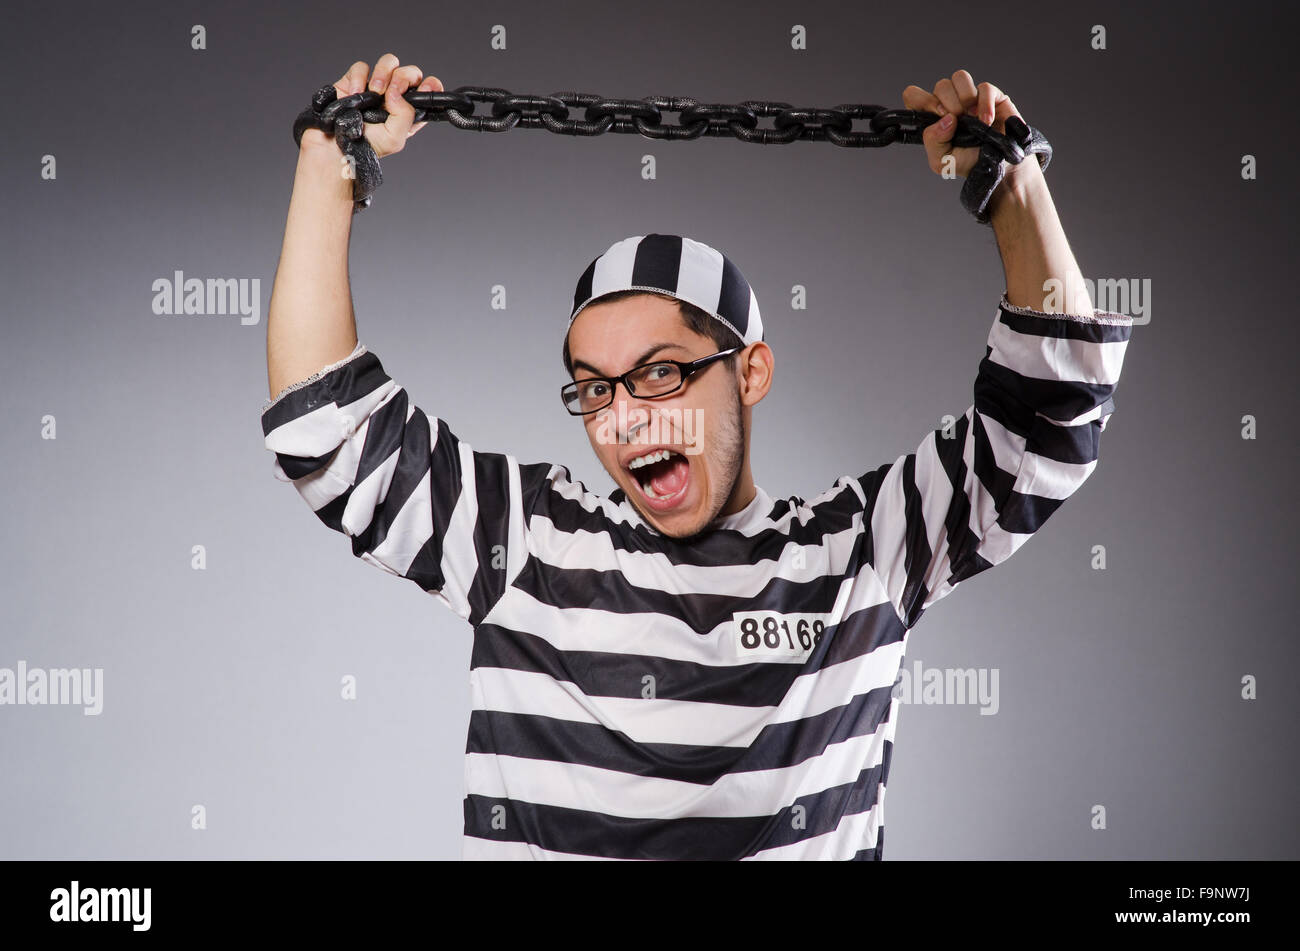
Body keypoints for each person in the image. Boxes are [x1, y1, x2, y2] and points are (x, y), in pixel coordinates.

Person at [262, 54, 1134, 860]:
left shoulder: (863, 550)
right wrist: (327, 164)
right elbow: (326, 430)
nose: (626, 418)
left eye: (663, 373)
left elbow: (1051, 421)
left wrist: (1013, 188)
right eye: (596, 388)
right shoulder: (523, 540)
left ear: (750, 372)